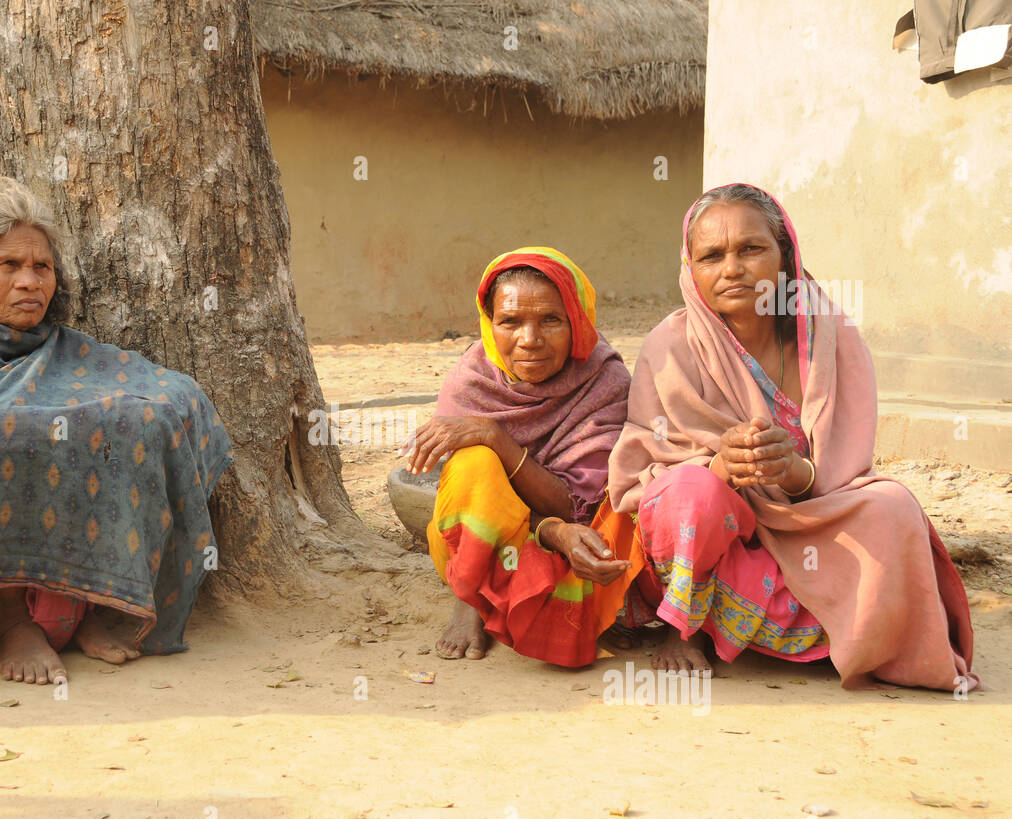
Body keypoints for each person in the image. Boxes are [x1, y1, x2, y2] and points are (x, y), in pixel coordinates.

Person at [607, 183, 979, 692]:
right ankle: (686, 628)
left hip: (815, 524)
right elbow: (639, 477)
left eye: (751, 249)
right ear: (690, 268)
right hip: (723, 541)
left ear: (785, 255)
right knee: (690, 493)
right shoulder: (670, 346)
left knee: (892, 506)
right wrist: (720, 468)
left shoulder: (829, 335)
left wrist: (792, 472)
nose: (732, 269)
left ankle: (863, 636)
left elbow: (842, 474)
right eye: (711, 256)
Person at [0, 178, 234, 686]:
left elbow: (163, 390)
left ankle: (82, 608)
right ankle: (12, 619)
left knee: (136, 422)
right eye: (9, 265)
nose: (30, 281)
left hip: (62, 572)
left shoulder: (59, 344)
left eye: (41, 267)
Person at [406, 246, 646, 667]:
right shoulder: (472, 379)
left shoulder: (603, 379)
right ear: (489, 324)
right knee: (473, 462)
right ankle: (470, 598)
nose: (529, 340)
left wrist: (497, 437)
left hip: (578, 540)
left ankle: (576, 609)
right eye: (510, 322)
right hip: (490, 544)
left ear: (577, 322)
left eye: (551, 320)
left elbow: (579, 506)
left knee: (630, 498)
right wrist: (549, 528)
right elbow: (468, 500)